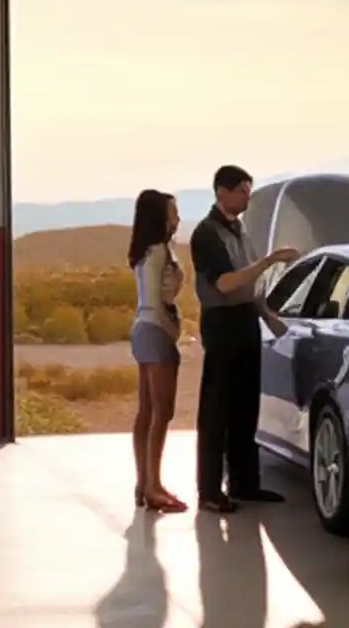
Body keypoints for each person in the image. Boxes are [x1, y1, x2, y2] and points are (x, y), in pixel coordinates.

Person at [189, 165, 298, 513]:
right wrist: (269, 261)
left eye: (248, 192)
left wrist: (268, 317)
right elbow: (225, 282)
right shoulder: (207, 234)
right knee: (217, 407)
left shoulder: (240, 231)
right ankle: (208, 490)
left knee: (245, 404)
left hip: (245, 319)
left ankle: (244, 482)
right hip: (221, 321)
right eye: (241, 192)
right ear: (222, 191)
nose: (246, 199)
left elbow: (249, 287)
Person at [129, 189, 188, 513]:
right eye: (172, 212)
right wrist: (169, 332)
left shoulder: (149, 250)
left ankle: (145, 482)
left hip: (144, 329)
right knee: (161, 411)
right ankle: (153, 486)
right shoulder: (157, 252)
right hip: (155, 330)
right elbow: (154, 299)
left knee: (147, 411)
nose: (177, 218)